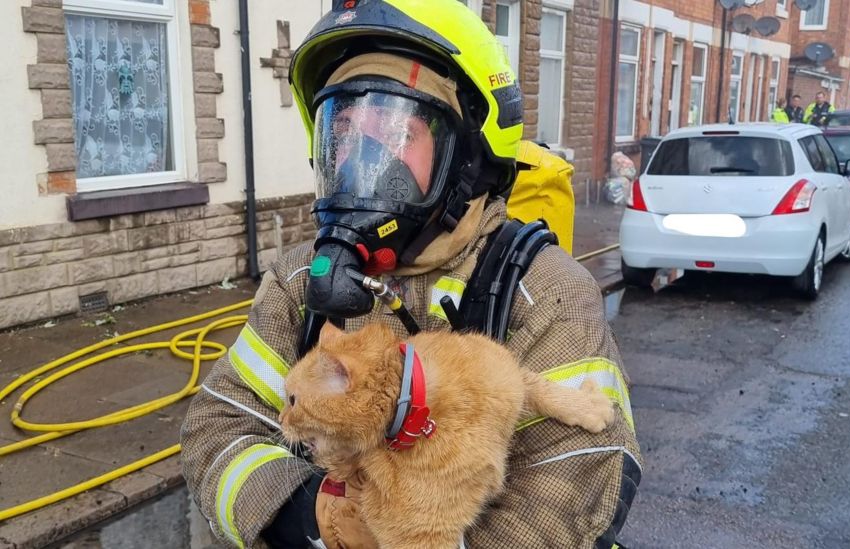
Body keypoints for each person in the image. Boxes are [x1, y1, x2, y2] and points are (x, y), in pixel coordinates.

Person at [179, 1, 642, 548]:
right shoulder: (301, 278)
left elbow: (571, 486)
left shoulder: (544, 293)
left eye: (396, 131)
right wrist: (305, 518)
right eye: (343, 128)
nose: (361, 159)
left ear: (467, 156)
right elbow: (218, 422)